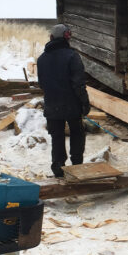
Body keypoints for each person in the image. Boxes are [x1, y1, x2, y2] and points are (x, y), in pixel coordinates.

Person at [37, 23, 90, 178]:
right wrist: (85, 103)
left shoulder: (41, 59)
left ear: (51, 37)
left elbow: (42, 84)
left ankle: (58, 167)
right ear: (67, 37)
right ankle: (77, 166)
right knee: (77, 134)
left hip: (52, 104)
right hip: (72, 104)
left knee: (57, 136)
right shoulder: (72, 57)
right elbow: (79, 84)